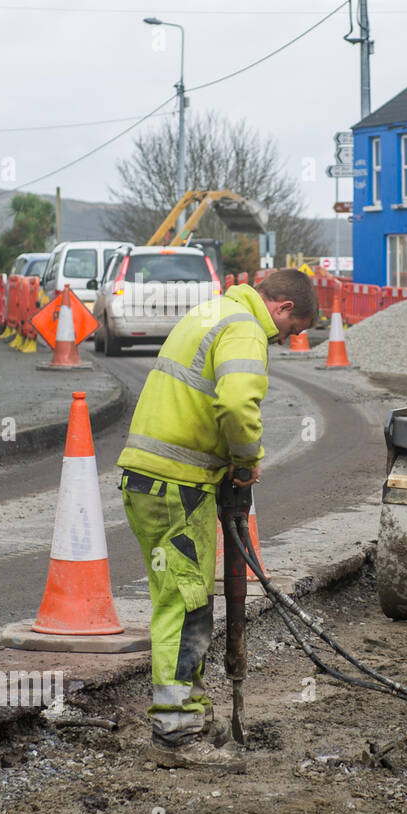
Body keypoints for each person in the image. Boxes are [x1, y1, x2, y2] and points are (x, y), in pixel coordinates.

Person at [118, 269, 318, 773]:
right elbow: (234, 402)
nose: (285, 340)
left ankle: (192, 712)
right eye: (291, 332)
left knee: (181, 600)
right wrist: (247, 461)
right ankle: (176, 735)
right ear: (283, 307)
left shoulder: (210, 311)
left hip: (155, 481)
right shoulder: (246, 327)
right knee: (185, 606)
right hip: (176, 485)